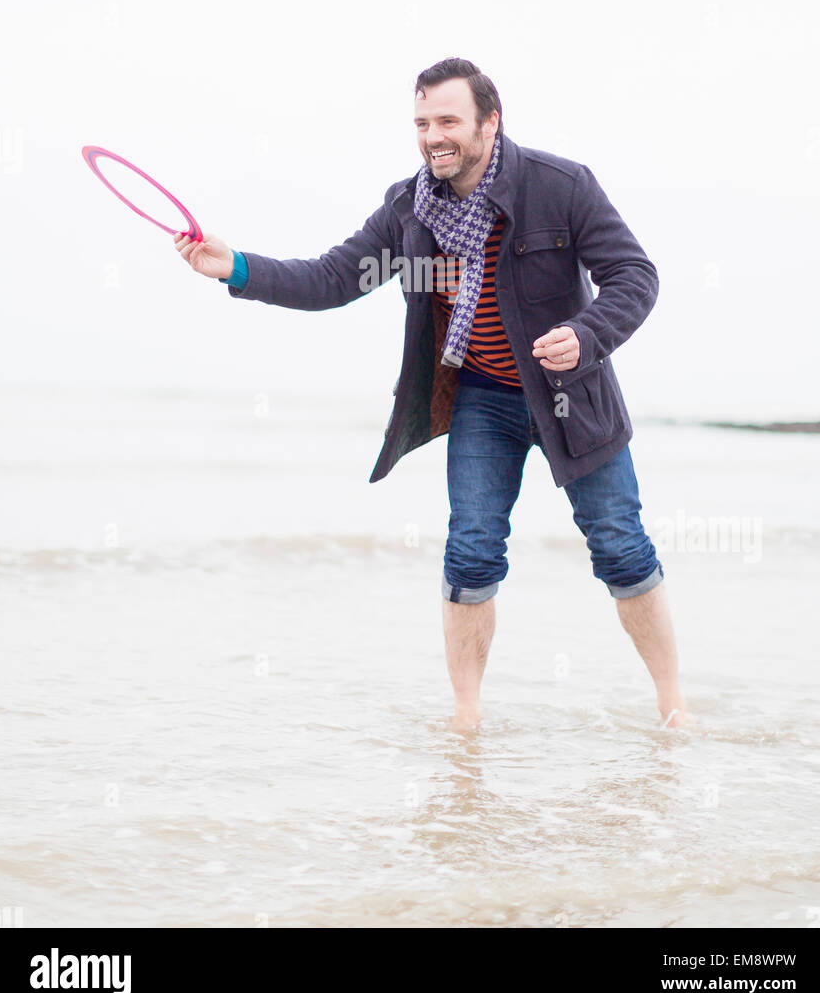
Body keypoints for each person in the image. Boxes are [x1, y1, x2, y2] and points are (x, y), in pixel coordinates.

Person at [175, 57, 687, 732]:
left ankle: (674, 706)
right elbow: (333, 278)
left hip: (570, 397)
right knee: (471, 549)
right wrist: (234, 266)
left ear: (489, 121)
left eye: (448, 120)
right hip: (484, 400)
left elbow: (634, 276)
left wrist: (586, 334)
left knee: (620, 545)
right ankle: (467, 718)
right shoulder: (408, 211)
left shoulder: (560, 187)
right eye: (421, 122)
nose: (432, 135)